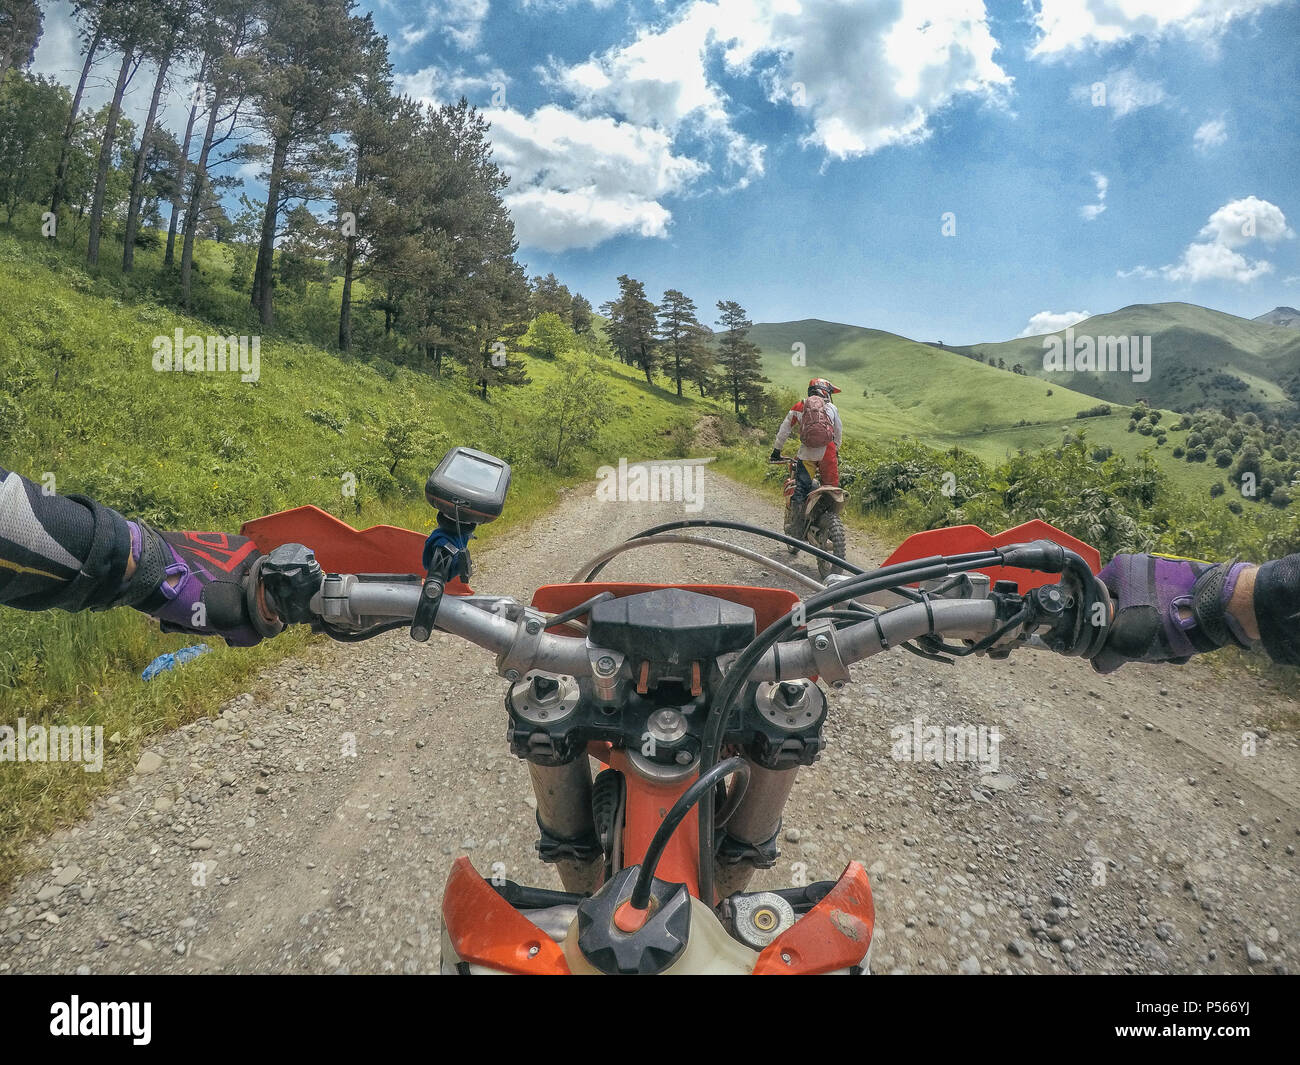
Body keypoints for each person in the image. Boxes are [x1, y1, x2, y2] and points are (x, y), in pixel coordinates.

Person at [2, 463, 1300, 676]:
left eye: (818, 403)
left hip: (837, 523)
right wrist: (177, 569)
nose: (815, 406)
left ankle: (825, 542)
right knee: (801, 492)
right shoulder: (798, 425)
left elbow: (969, 555)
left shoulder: (831, 425)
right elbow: (267, 558)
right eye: (811, 404)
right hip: (799, 489)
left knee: (828, 517)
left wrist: (1215, 595)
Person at [770, 378, 843, 509]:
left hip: (806, 454)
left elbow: (784, 431)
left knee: (801, 489)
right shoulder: (832, 408)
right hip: (828, 452)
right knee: (832, 490)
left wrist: (776, 451)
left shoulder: (799, 407)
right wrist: (836, 449)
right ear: (825, 392)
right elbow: (838, 432)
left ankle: (797, 522)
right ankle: (830, 516)